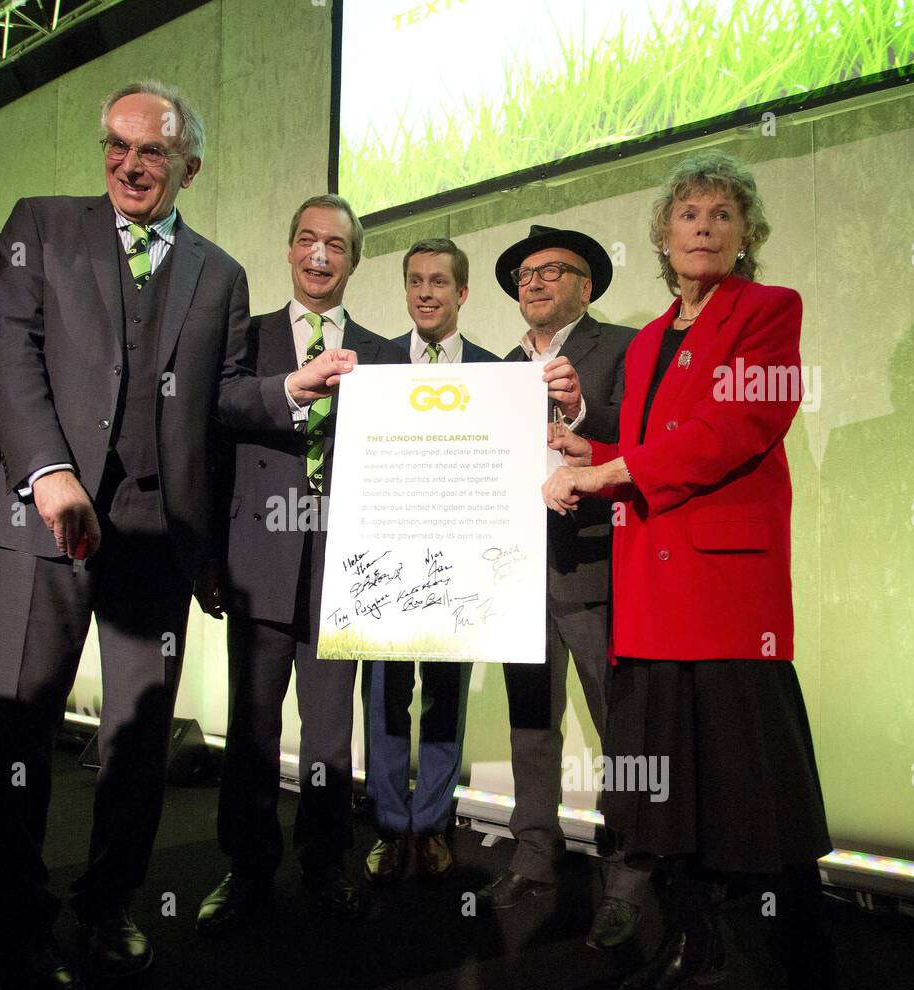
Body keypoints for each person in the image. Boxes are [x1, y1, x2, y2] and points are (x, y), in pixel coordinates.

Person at [0, 85, 345, 990]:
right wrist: (49, 472)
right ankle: (18, 926)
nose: (130, 165)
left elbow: (222, 399)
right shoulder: (42, 227)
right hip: (39, 522)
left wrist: (289, 389)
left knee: (136, 745)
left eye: (152, 154)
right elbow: (13, 357)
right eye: (117, 147)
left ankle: (106, 907)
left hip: (153, 540)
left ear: (190, 168)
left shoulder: (219, 274)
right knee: (14, 734)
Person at [543, 151, 837, 990]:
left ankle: (810, 978)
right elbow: (632, 450)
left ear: (747, 235)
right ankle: (693, 941)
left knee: (766, 802)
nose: (702, 228)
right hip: (649, 596)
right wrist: (572, 449)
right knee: (662, 798)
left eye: (720, 215)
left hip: (724, 600)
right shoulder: (647, 338)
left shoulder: (770, 312)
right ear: (664, 240)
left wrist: (611, 470)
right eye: (687, 216)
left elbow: (736, 427)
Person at [195, 194, 407, 935]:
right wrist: (208, 556)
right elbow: (213, 442)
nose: (321, 255)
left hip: (349, 574)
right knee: (251, 730)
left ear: (354, 259)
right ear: (288, 251)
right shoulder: (243, 345)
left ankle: (325, 862)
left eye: (337, 245)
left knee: (328, 738)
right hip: (256, 561)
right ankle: (247, 867)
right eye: (308, 241)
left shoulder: (384, 355)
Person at [479, 225, 650, 949]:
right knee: (530, 725)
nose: (535, 281)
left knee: (622, 729)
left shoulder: (623, 349)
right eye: (524, 272)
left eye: (554, 270)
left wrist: (581, 413)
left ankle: (630, 876)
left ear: (588, 284)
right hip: (513, 575)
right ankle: (533, 854)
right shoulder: (495, 366)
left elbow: (639, 440)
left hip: (594, 570)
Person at [362, 238, 499, 884]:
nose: (425, 292)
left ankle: (433, 825)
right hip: (387, 564)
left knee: (445, 700)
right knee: (386, 698)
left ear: (462, 293)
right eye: (415, 280)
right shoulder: (374, 364)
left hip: (461, 566)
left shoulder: (496, 371)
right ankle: (391, 829)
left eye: (439, 282)